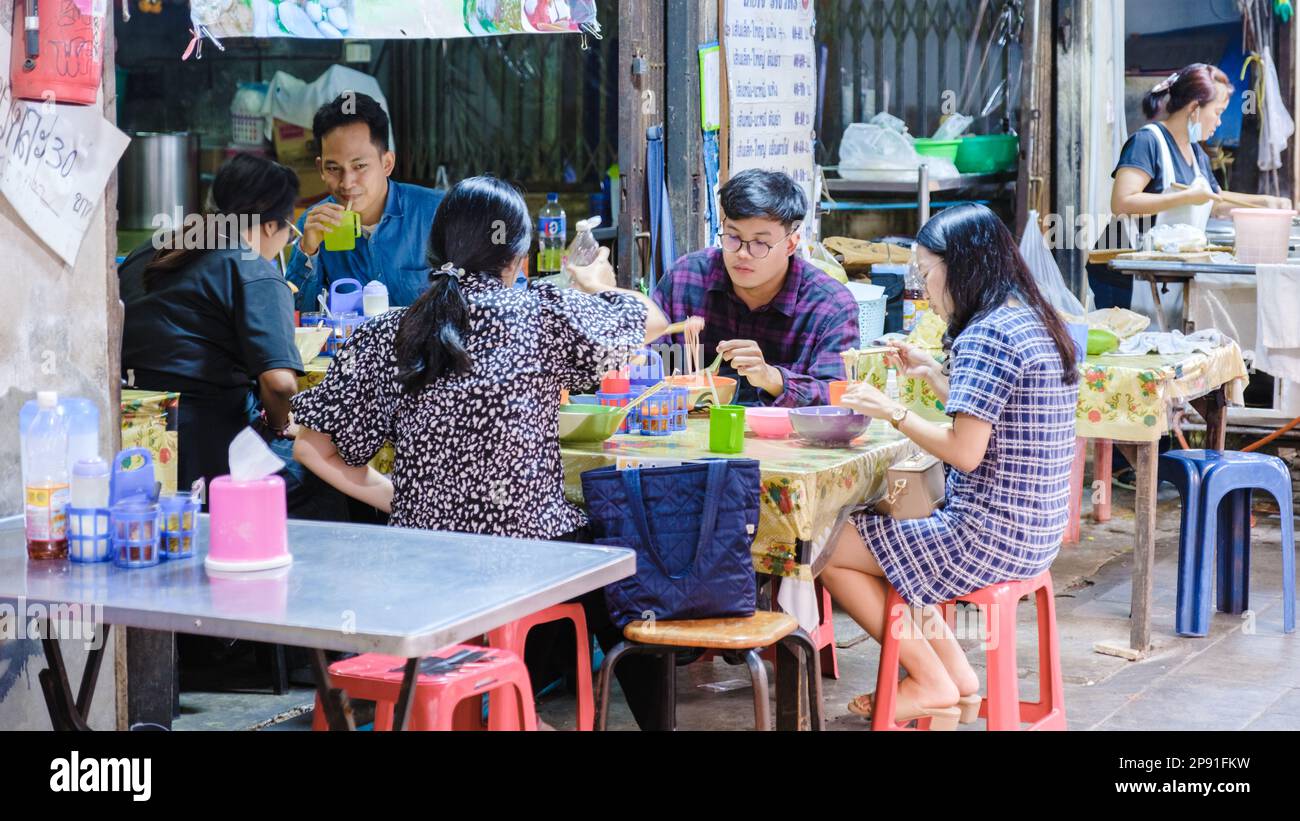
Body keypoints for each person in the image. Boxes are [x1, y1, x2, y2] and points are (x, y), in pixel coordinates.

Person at [290, 175, 675, 729]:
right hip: (531, 561)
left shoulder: (389, 332)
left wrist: (398, 497)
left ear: (436, 250)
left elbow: (310, 446)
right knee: (631, 578)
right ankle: (543, 712)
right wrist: (594, 283)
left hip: (424, 561)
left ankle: (511, 711)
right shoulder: (542, 314)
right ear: (518, 258)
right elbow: (653, 320)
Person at [819, 204, 1080, 728]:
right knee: (891, 536)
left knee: (825, 543)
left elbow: (965, 450)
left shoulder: (987, 335)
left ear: (962, 267)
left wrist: (890, 409)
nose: (923, 285)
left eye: (926, 272)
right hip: (1035, 531)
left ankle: (934, 681)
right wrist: (936, 374)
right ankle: (957, 678)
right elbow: (995, 415)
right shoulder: (1030, 316)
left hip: (988, 535)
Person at [120, 153, 338, 515]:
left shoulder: (152, 247)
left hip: (132, 442)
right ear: (272, 227)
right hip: (208, 448)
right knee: (322, 480)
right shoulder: (256, 269)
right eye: (289, 232)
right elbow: (280, 384)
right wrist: (284, 425)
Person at [1092, 63, 1291, 324]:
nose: (1219, 122)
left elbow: (1215, 201)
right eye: (1217, 113)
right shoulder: (1147, 141)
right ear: (1195, 109)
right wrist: (1185, 197)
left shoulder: (1195, 152)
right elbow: (1122, 202)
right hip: (1121, 272)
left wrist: (1266, 203)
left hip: (1161, 271)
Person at [653, 169, 860, 406]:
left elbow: (841, 396)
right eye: (732, 237)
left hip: (784, 440)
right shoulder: (686, 278)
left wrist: (772, 378)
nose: (742, 253)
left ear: (791, 243)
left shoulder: (830, 305)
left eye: (760, 243)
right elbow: (646, 361)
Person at [285, 92, 445, 311]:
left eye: (359, 166)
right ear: (320, 168)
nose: (347, 183)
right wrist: (308, 251)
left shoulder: (439, 213)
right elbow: (296, 316)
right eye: (333, 168)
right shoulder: (313, 224)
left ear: (387, 163)